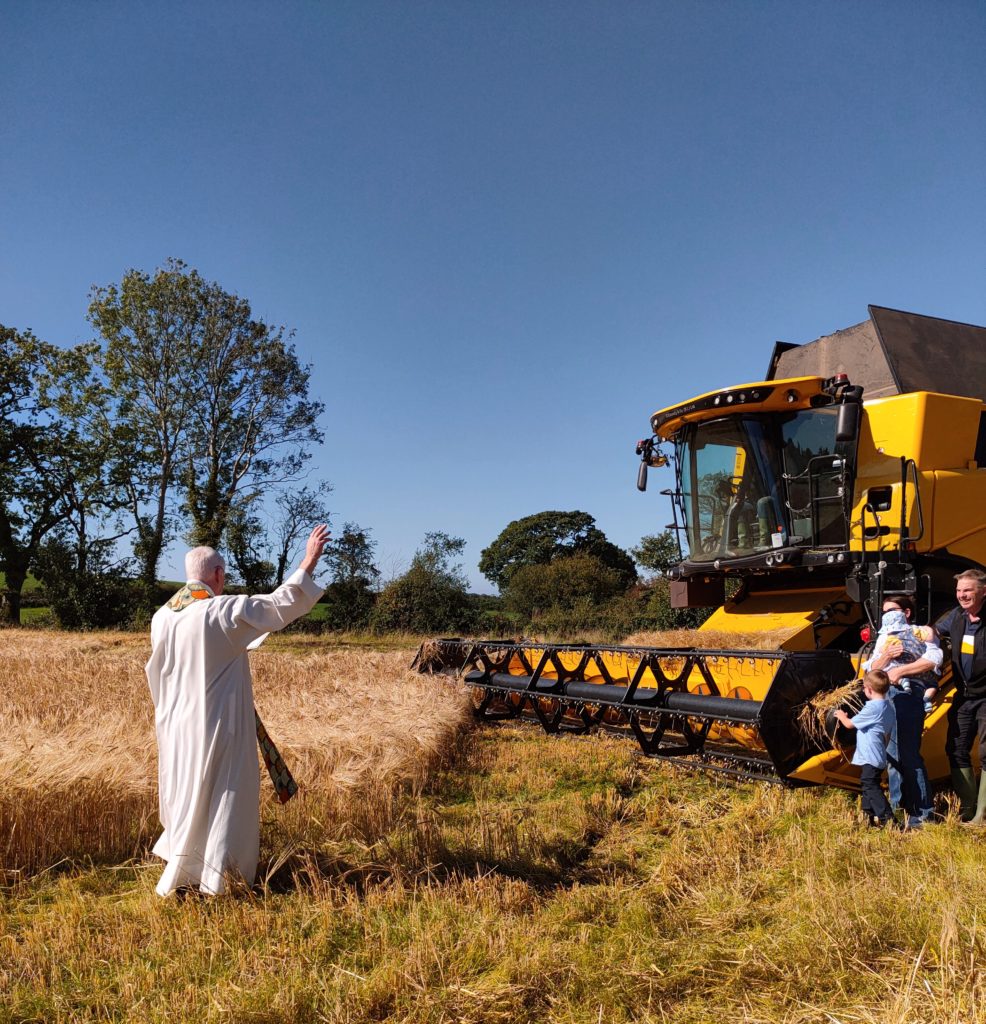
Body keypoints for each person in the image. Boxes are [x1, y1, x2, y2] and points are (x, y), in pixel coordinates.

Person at [145, 524, 330, 896]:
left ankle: (184, 871)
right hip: (218, 725)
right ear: (218, 575)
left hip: (176, 726)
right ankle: (221, 879)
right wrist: (308, 561)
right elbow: (278, 605)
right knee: (224, 799)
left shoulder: (163, 617)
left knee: (187, 796)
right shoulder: (219, 611)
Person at [862, 596, 942, 828]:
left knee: (908, 754)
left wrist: (901, 671)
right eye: (885, 612)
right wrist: (887, 656)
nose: (888, 615)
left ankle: (923, 814)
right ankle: (899, 807)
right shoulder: (883, 638)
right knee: (892, 756)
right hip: (885, 695)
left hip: (909, 694)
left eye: (893, 610)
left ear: (906, 612)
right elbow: (871, 669)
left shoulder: (922, 632)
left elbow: (934, 659)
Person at [935, 568, 986, 823]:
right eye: (959, 590)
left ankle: (981, 814)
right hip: (964, 695)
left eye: (968, 590)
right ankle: (967, 807)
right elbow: (934, 632)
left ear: (983, 591)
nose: (962, 595)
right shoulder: (956, 616)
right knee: (956, 747)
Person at [834, 669, 897, 828]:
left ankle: (888, 819)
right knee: (868, 784)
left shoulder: (873, 708)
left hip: (870, 755)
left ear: (869, 689)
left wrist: (841, 715)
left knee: (870, 784)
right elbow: (887, 733)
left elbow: (849, 724)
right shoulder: (888, 707)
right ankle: (869, 817)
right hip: (878, 754)